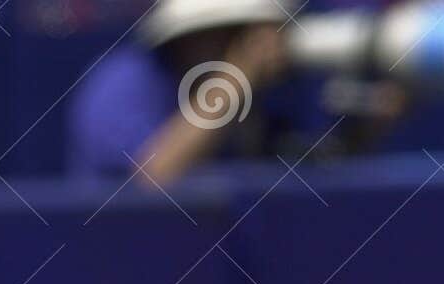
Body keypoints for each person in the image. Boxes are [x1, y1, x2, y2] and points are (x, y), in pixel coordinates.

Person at [67, 0, 296, 183]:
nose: (240, 45)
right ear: (185, 35)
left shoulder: (275, 85)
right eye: (227, 32)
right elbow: (154, 178)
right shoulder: (121, 81)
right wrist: (237, 78)